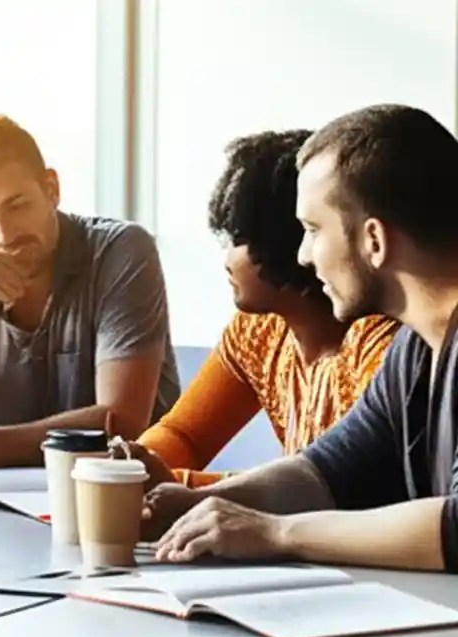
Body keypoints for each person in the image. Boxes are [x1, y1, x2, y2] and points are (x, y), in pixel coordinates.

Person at [147, 104, 458, 573]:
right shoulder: (414, 349)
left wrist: (274, 533)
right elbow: (325, 471)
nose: (304, 256)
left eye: (313, 231)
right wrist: (198, 504)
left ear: (373, 240)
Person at [0, 113, 180, 469]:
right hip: (4, 502)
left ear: (51, 189)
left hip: (130, 497)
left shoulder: (121, 251)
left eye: (17, 205)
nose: (4, 235)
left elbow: (121, 421)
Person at [128, 130, 398, 488]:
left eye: (239, 240)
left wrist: (181, 486)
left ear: (284, 241)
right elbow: (184, 435)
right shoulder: (258, 331)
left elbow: (351, 491)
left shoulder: (380, 342)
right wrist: (135, 465)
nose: (226, 260)